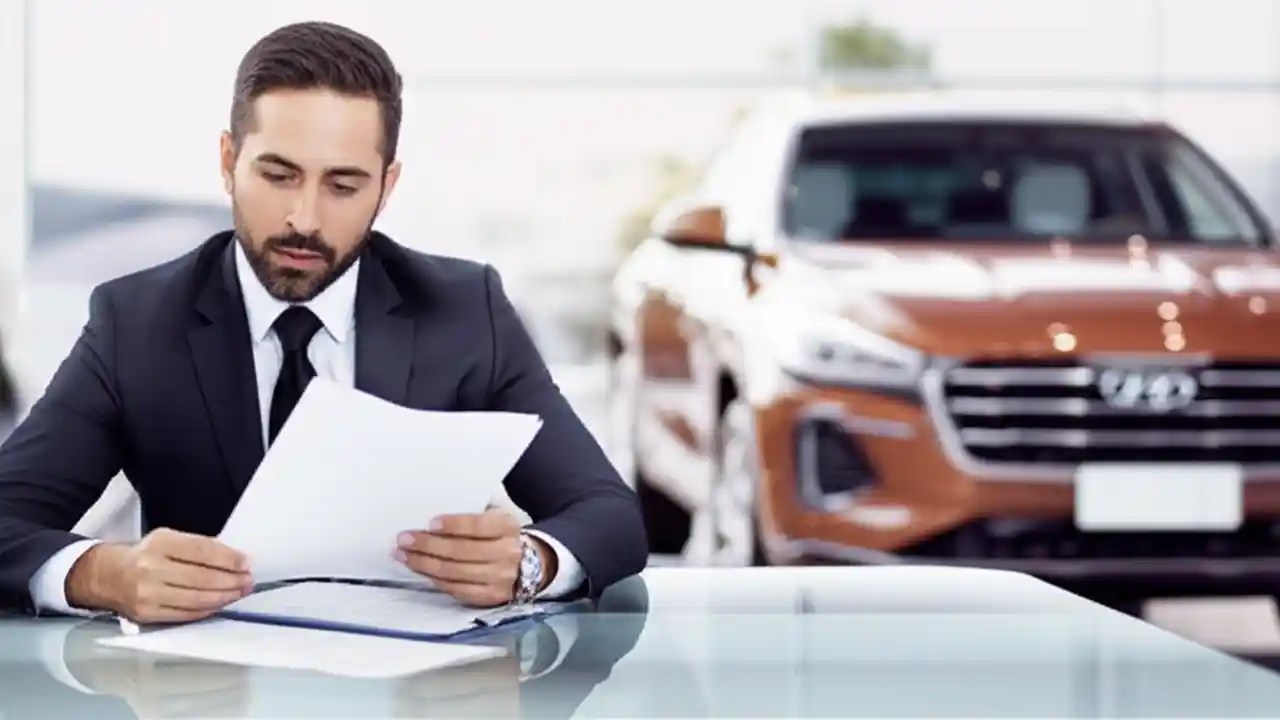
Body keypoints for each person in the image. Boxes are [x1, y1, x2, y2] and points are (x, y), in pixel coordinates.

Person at [0, 21, 647, 622]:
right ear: (228, 162)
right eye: (278, 175)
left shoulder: (463, 309)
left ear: (386, 188)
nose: (304, 218)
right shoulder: (135, 322)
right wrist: (100, 573)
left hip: (415, 689)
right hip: (206, 692)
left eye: (342, 185)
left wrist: (530, 563)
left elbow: (609, 515)